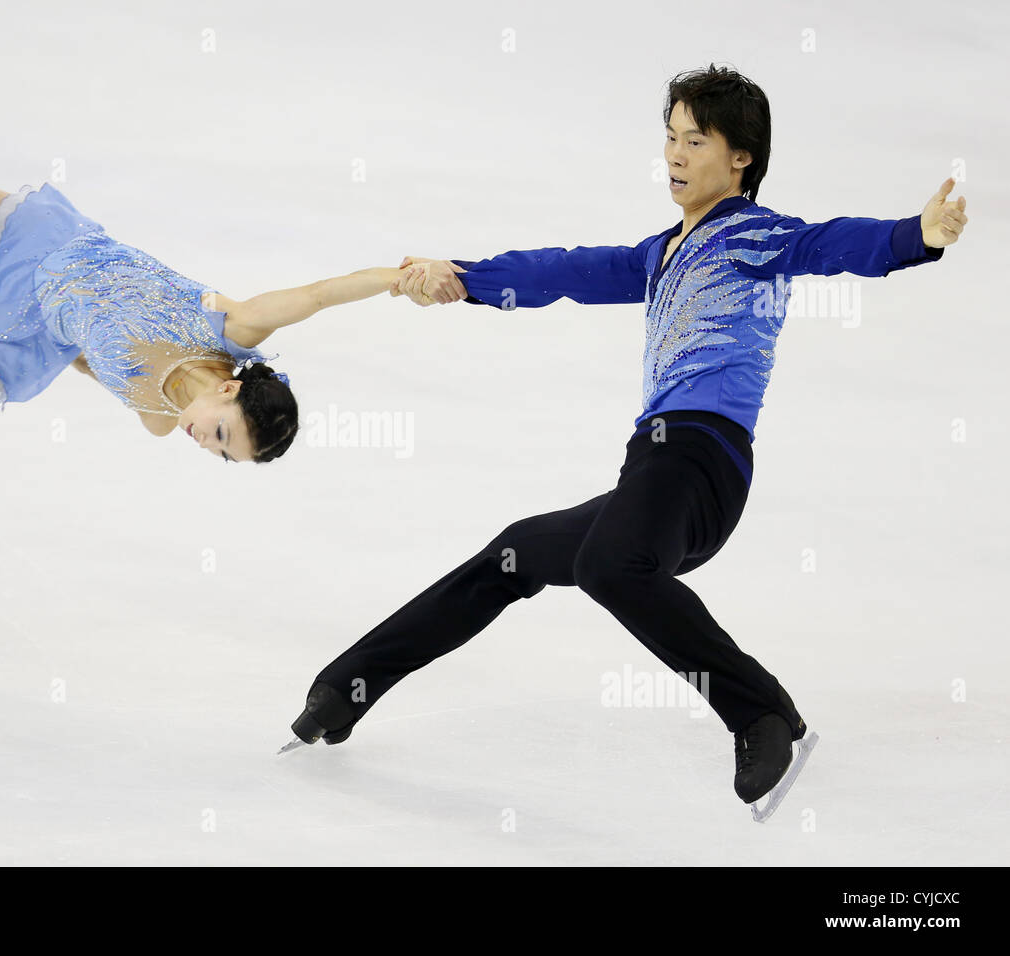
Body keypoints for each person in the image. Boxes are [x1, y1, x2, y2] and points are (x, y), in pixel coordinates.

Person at [285, 65, 968, 818]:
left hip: (701, 463)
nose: (674, 155)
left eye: (695, 140)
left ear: (741, 156)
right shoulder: (660, 252)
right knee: (516, 553)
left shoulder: (761, 238)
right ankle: (347, 687)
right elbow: (566, 270)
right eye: (670, 138)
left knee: (609, 566)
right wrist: (464, 277)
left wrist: (917, 236)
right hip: (653, 471)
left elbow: (835, 245)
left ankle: (763, 712)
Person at [0, 165, 421, 639]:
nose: (205, 446)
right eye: (224, 435)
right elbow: (321, 293)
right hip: (46, 239)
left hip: (28, 331)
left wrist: (12, 310)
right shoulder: (229, 326)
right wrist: (400, 278)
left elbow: (91, 356)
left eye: (222, 456)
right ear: (229, 389)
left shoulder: (159, 420)